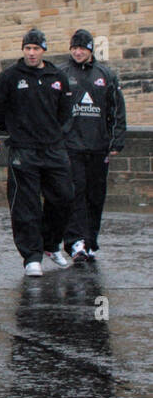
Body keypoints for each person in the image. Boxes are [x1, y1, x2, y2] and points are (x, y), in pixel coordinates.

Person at [0, 29, 74, 278]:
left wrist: (58, 134)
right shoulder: (11, 76)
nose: (31, 53)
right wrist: (12, 127)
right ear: (23, 50)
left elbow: (66, 111)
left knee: (64, 197)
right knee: (26, 205)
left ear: (44, 50)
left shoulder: (57, 76)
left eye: (36, 48)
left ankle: (51, 244)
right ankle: (31, 257)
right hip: (23, 150)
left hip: (53, 149)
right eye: (27, 48)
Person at [61, 29, 126, 264]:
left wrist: (117, 140)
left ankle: (90, 242)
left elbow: (117, 109)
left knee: (95, 196)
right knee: (75, 194)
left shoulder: (105, 74)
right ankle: (75, 242)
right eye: (74, 48)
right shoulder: (62, 73)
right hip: (71, 146)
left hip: (98, 146)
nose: (78, 52)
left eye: (83, 48)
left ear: (90, 50)